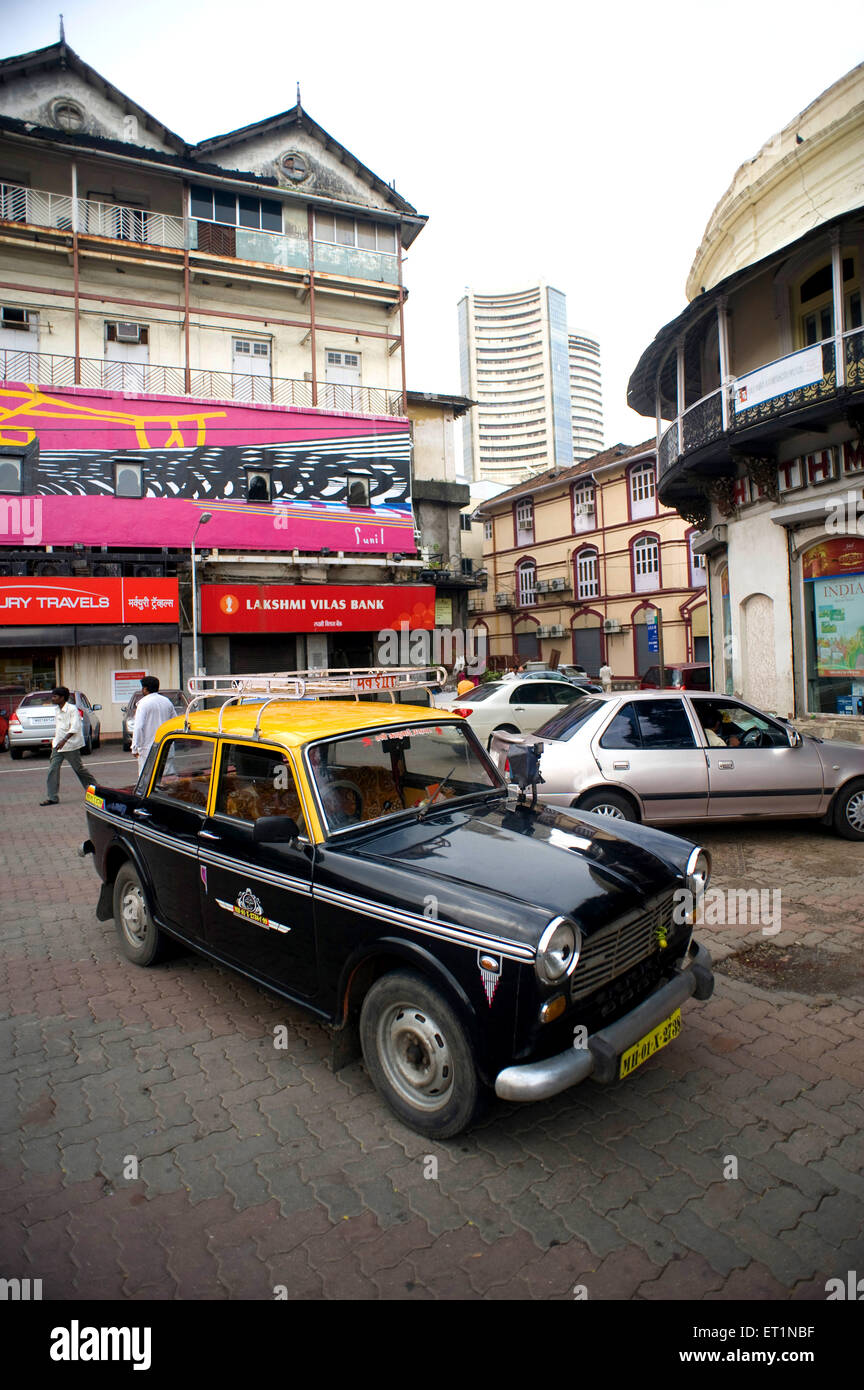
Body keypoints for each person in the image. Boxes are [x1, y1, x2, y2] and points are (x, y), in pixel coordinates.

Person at [41, 687, 90, 805]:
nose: (52, 699)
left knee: (79, 769)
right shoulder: (57, 710)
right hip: (57, 745)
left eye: (55, 696)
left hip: (70, 745)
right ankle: (52, 797)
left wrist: (64, 740)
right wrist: (57, 742)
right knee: (53, 769)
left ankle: (95, 790)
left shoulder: (72, 709)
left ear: (62, 698)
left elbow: (75, 727)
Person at [132, 676, 176, 780]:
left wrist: (135, 747)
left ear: (145, 689)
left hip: (148, 749)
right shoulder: (167, 702)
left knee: (146, 779)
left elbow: (138, 727)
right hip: (166, 746)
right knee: (167, 779)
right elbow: (174, 722)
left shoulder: (143, 704)